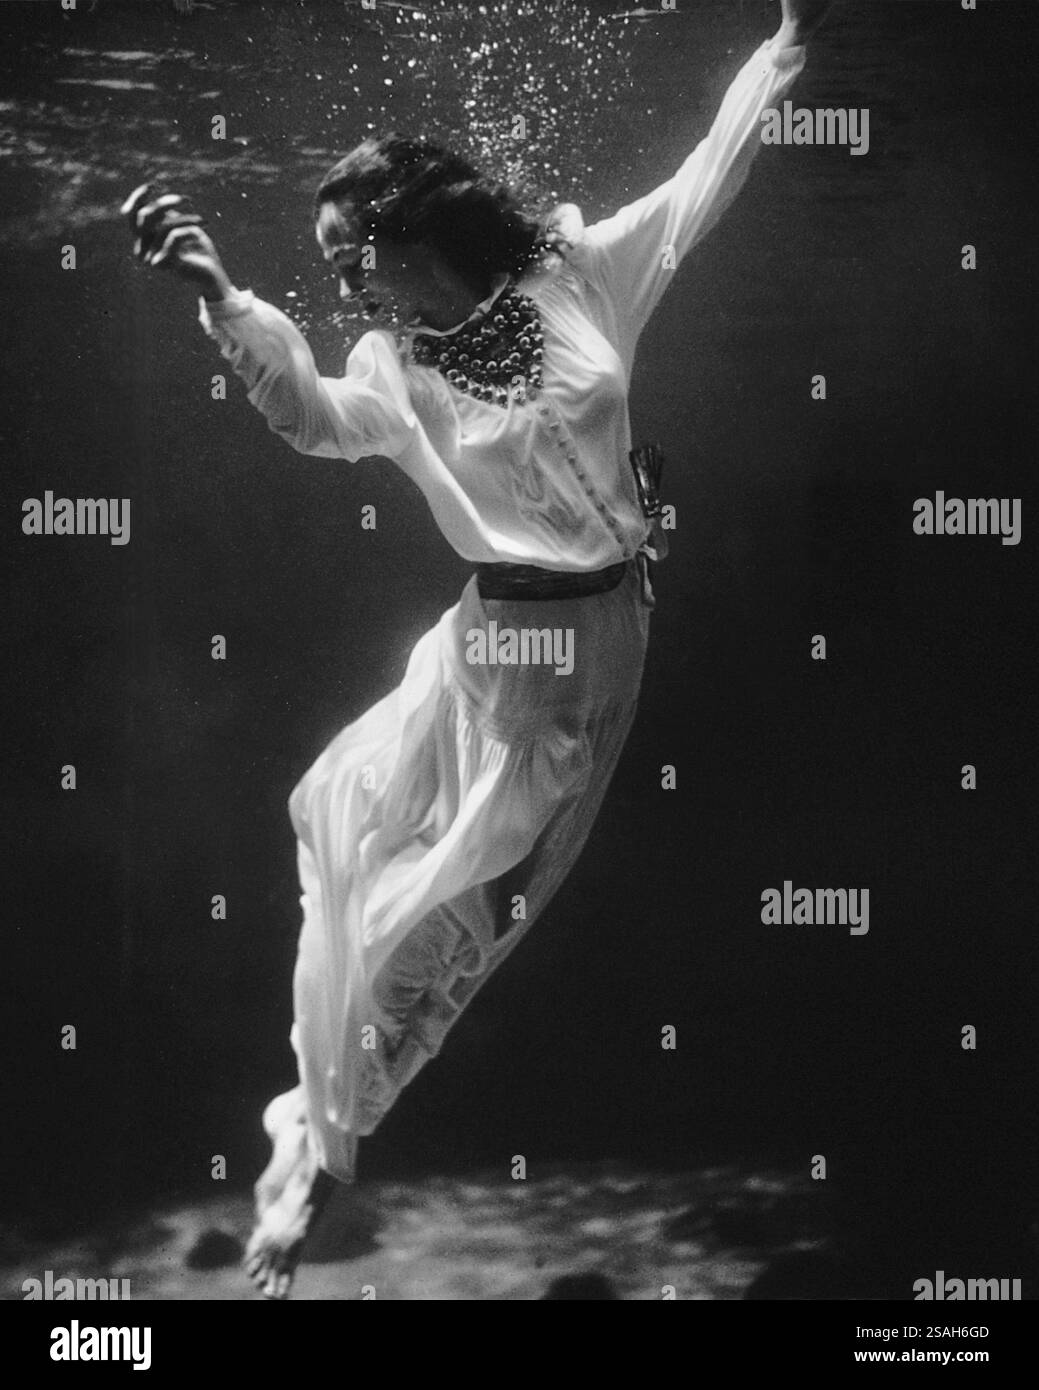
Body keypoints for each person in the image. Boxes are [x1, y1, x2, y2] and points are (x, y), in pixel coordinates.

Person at [124, 0, 832, 1300]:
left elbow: (696, 189)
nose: (339, 278)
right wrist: (226, 298)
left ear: (410, 230)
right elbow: (318, 420)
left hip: (587, 656)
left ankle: (327, 1158)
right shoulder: (391, 367)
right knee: (340, 838)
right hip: (479, 645)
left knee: (447, 919)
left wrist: (782, 47)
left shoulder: (577, 272)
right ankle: (317, 1144)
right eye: (328, 264)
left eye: (350, 253)